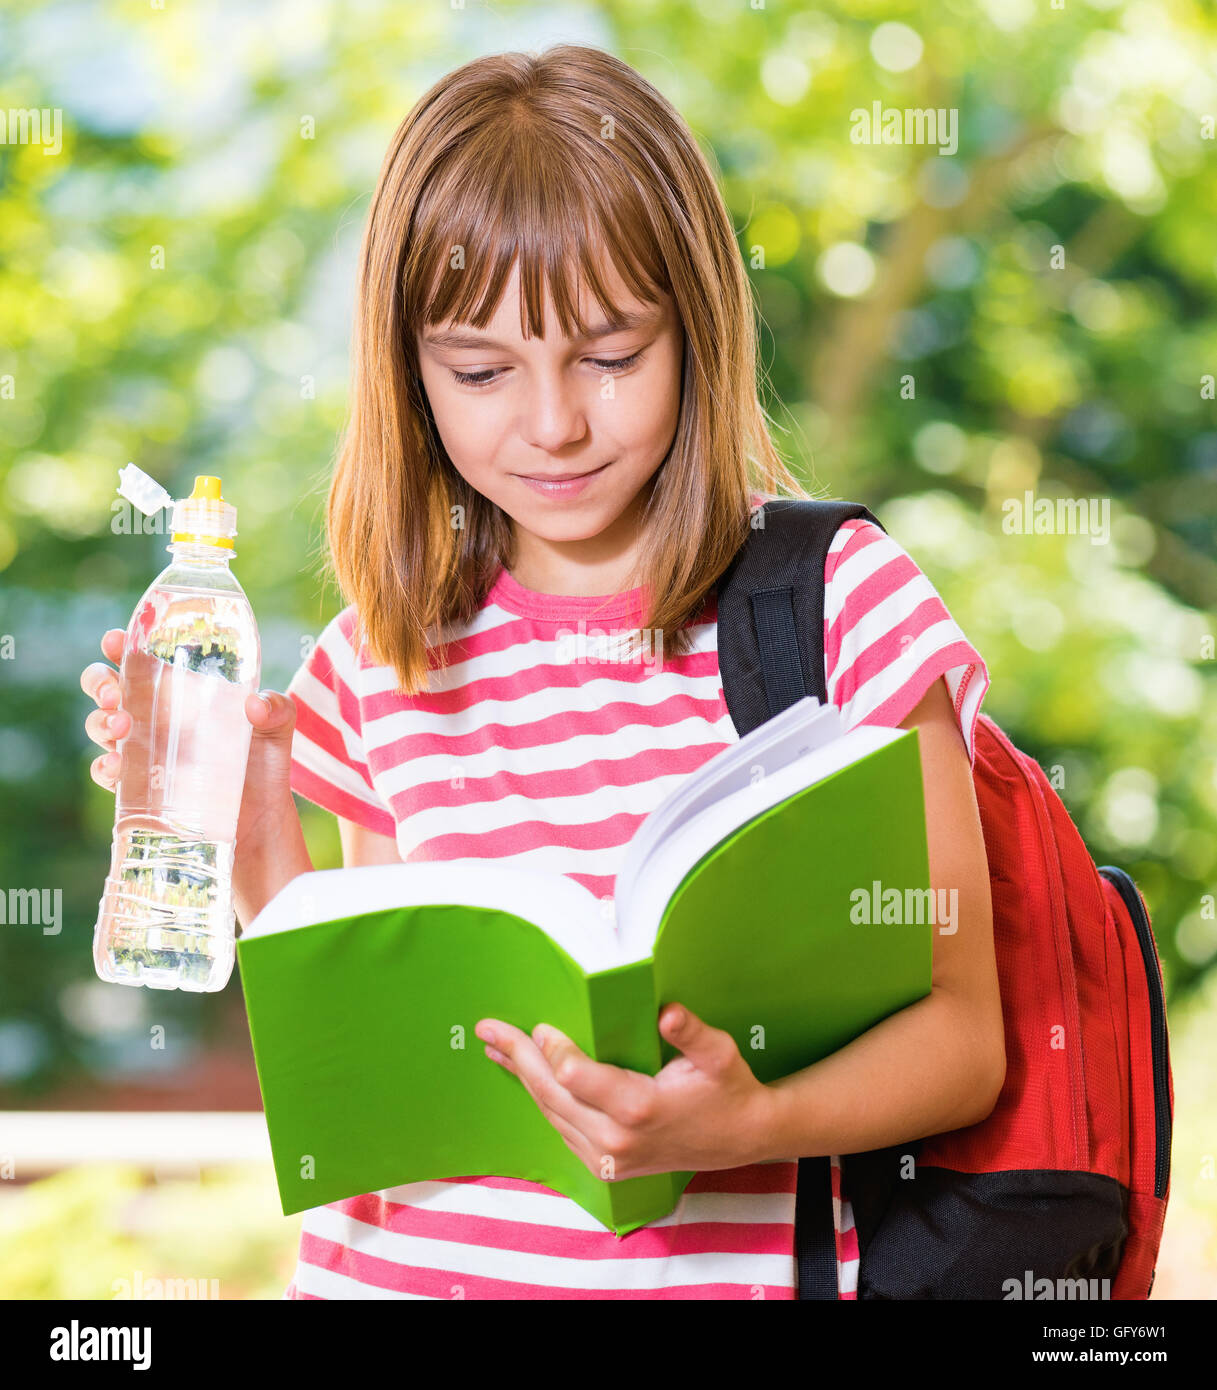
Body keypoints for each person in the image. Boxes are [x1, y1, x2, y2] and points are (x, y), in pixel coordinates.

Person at [82, 43, 1002, 1300]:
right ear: (407, 372)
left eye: (611, 355)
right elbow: (383, 1078)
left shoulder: (841, 605)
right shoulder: (376, 655)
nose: (553, 422)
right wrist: (253, 872)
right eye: (478, 372)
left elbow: (963, 1038)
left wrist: (738, 1125)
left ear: (696, 329)